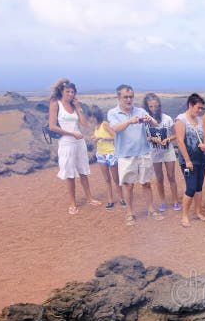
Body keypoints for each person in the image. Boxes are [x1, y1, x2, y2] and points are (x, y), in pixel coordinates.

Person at [108, 84, 162, 226]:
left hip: (143, 152)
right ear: (119, 98)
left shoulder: (140, 111)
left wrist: (151, 120)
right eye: (125, 97)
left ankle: (151, 210)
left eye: (131, 96)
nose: (128, 99)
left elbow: (155, 124)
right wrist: (130, 121)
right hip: (126, 155)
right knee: (128, 185)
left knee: (146, 183)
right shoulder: (113, 113)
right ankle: (130, 213)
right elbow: (116, 129)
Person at [48, 78, 101, 214]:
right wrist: (71, 133)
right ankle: (72, 203)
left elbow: (84, 124)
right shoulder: (56, 104)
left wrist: (78, 108)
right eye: (67, 92)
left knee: (83, 170)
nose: (70, 94)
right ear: (62, 91)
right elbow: (52, 126)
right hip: (66, 142)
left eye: (72, 92)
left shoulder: (74, 106)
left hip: (79, 141)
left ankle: (89, 198)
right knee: (69, 173)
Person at [175, 93, 205, 227]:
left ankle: (198, 212)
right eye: (198, 108)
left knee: (199, 187)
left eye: (201, 108)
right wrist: (187, 160)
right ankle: (184, 216)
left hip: (200, 158)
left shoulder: (199, 120)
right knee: (191, 187)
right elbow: (179, 140)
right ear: (190, 105)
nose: (200, 111)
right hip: (188, 161)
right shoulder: (181, 120)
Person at [142, 93, 180, 212]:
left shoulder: (167, 119)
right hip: (154, 152)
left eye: (156, 106)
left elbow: (176, 134)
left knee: (171, 177)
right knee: (159, 178)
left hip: (168, 151)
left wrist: (168, 139)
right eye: (151, 107)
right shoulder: (145, 120)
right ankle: (163, 201)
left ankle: (175, 201)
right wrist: (152, 139)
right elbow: (144, 137)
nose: (154, 109)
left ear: (159, 106)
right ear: (147, 107)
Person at [87, 106, 123, 210]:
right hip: (101, 154)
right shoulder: (96, 127)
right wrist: (95, 138)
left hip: (110, 153)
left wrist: (101, 137)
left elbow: (114, 136)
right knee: (107, 179)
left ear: (95, 116)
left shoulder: (104, 124)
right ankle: (110, 200)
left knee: (116, 178)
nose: (90, 118)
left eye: (91, 116)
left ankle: (121, 198)